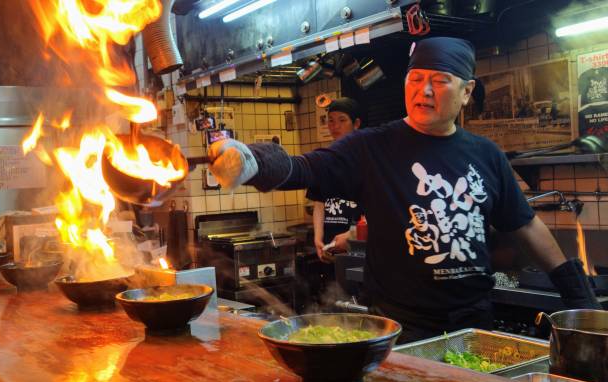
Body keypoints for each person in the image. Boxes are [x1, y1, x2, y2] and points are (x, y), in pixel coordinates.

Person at [207, 37, 602, 343]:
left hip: (475, 324)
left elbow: (525, 226)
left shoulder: (486, 154)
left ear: (466, 92)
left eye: (439, 82)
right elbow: (305, 167)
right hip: (401, 327)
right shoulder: (371, 146)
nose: (424, 91)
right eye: (416, 80)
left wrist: (577, 295)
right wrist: (251, 161)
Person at [311, 98, 364, 262]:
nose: (335, 126)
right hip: (329, 247)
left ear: (356, 124)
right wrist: (318, 238)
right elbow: (319, 204)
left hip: (358, 246)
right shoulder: (324, 160)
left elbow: (379, 207)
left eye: (342, 120)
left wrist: (351, 235)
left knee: (356, 283)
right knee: (332, 287)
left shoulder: (367, 159)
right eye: (331, 121)